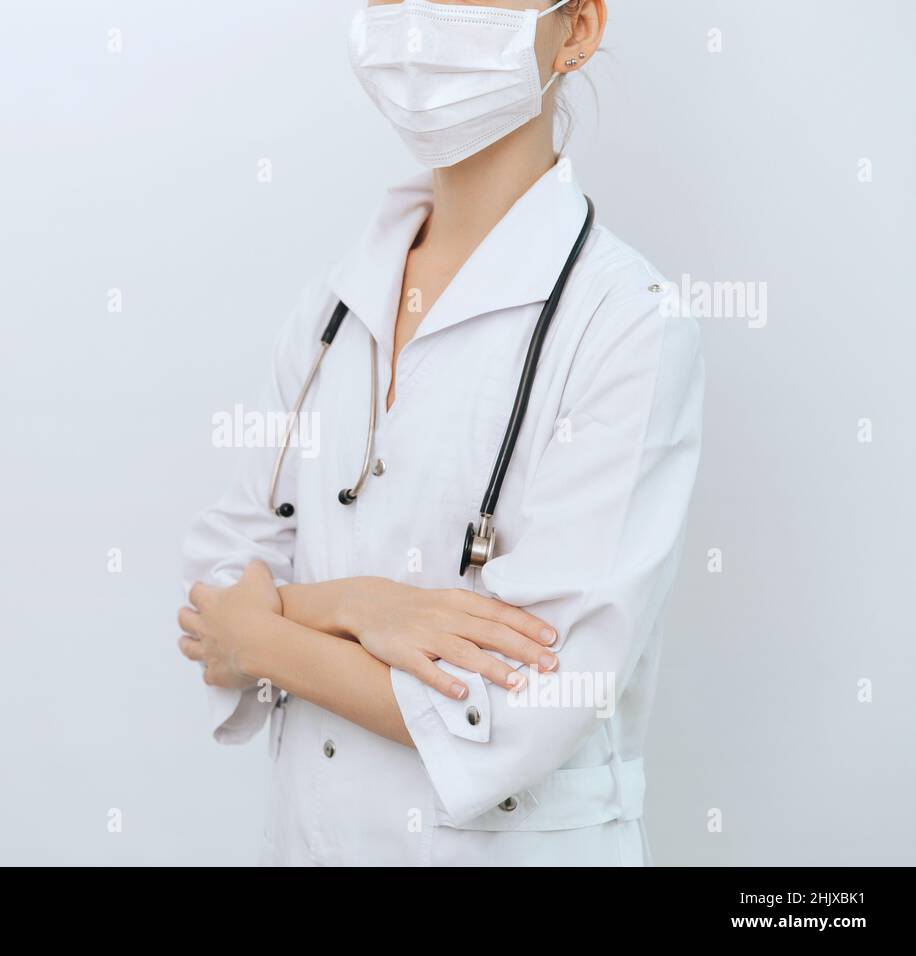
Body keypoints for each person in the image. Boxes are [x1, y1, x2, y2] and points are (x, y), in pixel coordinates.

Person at [178, 0, 704, 866]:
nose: (423, 23)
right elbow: (211, 599)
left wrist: (267, 635)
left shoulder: (628, 325)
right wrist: (360, 606)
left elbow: (524, 700)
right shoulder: (332, 309)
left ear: (575, 31)